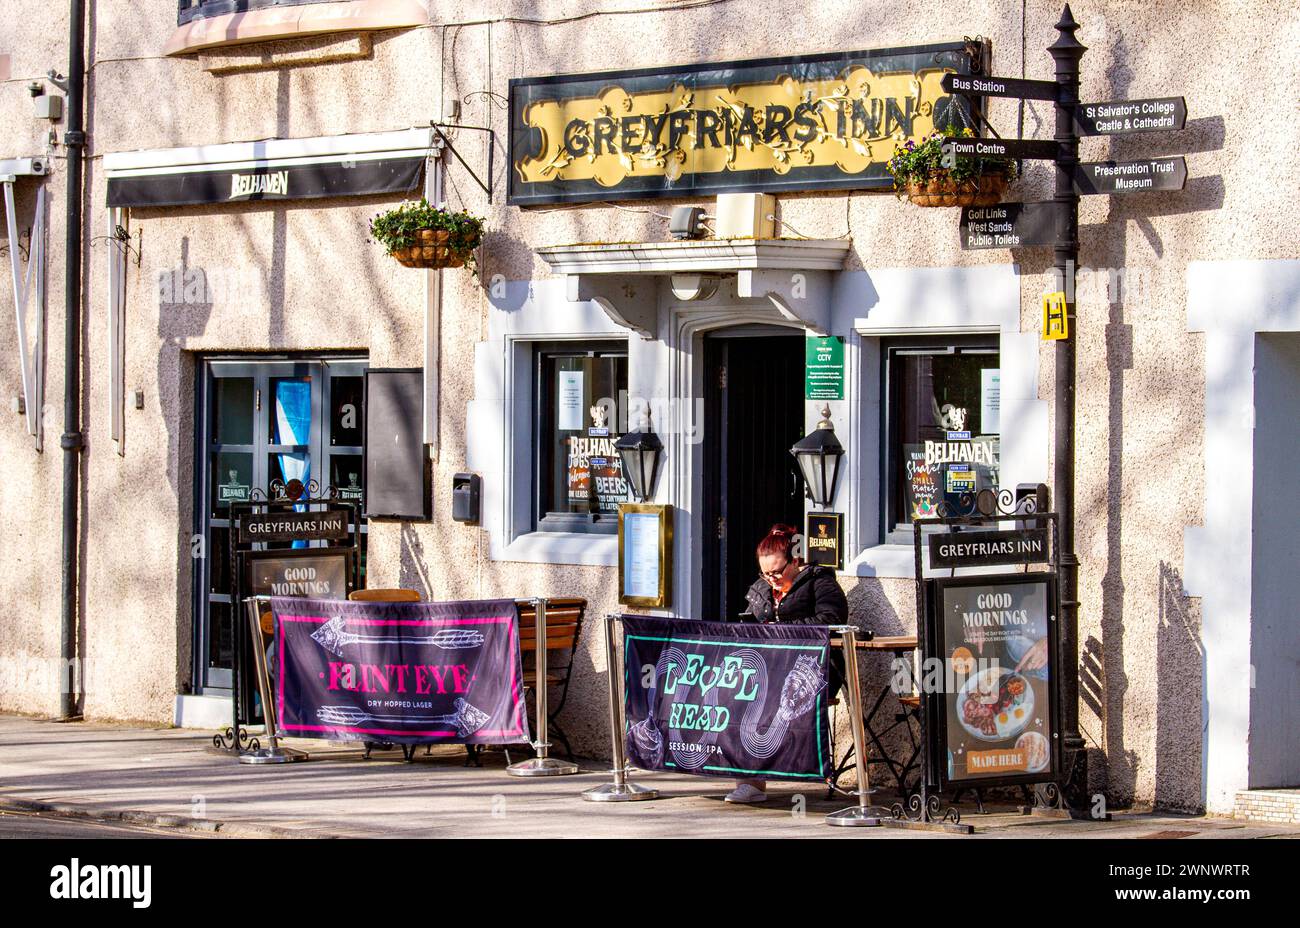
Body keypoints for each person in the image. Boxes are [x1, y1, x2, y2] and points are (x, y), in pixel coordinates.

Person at [725, 523, 849, 804]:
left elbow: (832, 619)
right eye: (765, 573)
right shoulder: (761, 589)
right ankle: (749, 779)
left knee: (764, 695)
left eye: (777, 572)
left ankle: (759, 777)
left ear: (796, 561)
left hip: (814, 670)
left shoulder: (820, 582)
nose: (772, 579)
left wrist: (784, 630)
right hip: (771, 667)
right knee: (736, 692)